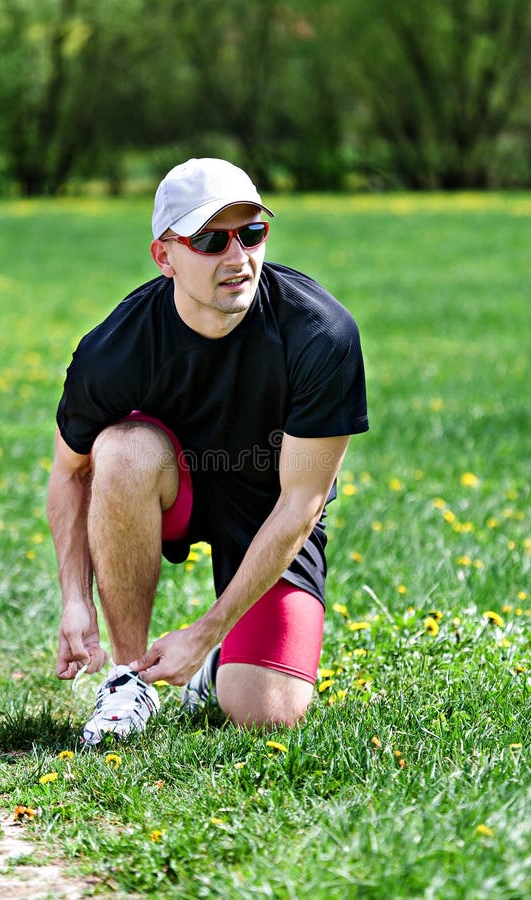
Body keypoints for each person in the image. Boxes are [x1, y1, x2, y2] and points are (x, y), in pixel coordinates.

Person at [47, 157, 368, 745]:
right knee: (118, 450)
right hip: (174, 489)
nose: (237, 257)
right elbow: (70, 472)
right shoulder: (115, 350)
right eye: (208, 240)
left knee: (267, 713)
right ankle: (126, 678)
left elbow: (302, 503)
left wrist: (207, 631)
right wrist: (75, 600)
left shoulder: (322, 336)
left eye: (251, 233)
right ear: (164, 256)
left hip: (267, 512)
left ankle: (220, 665)